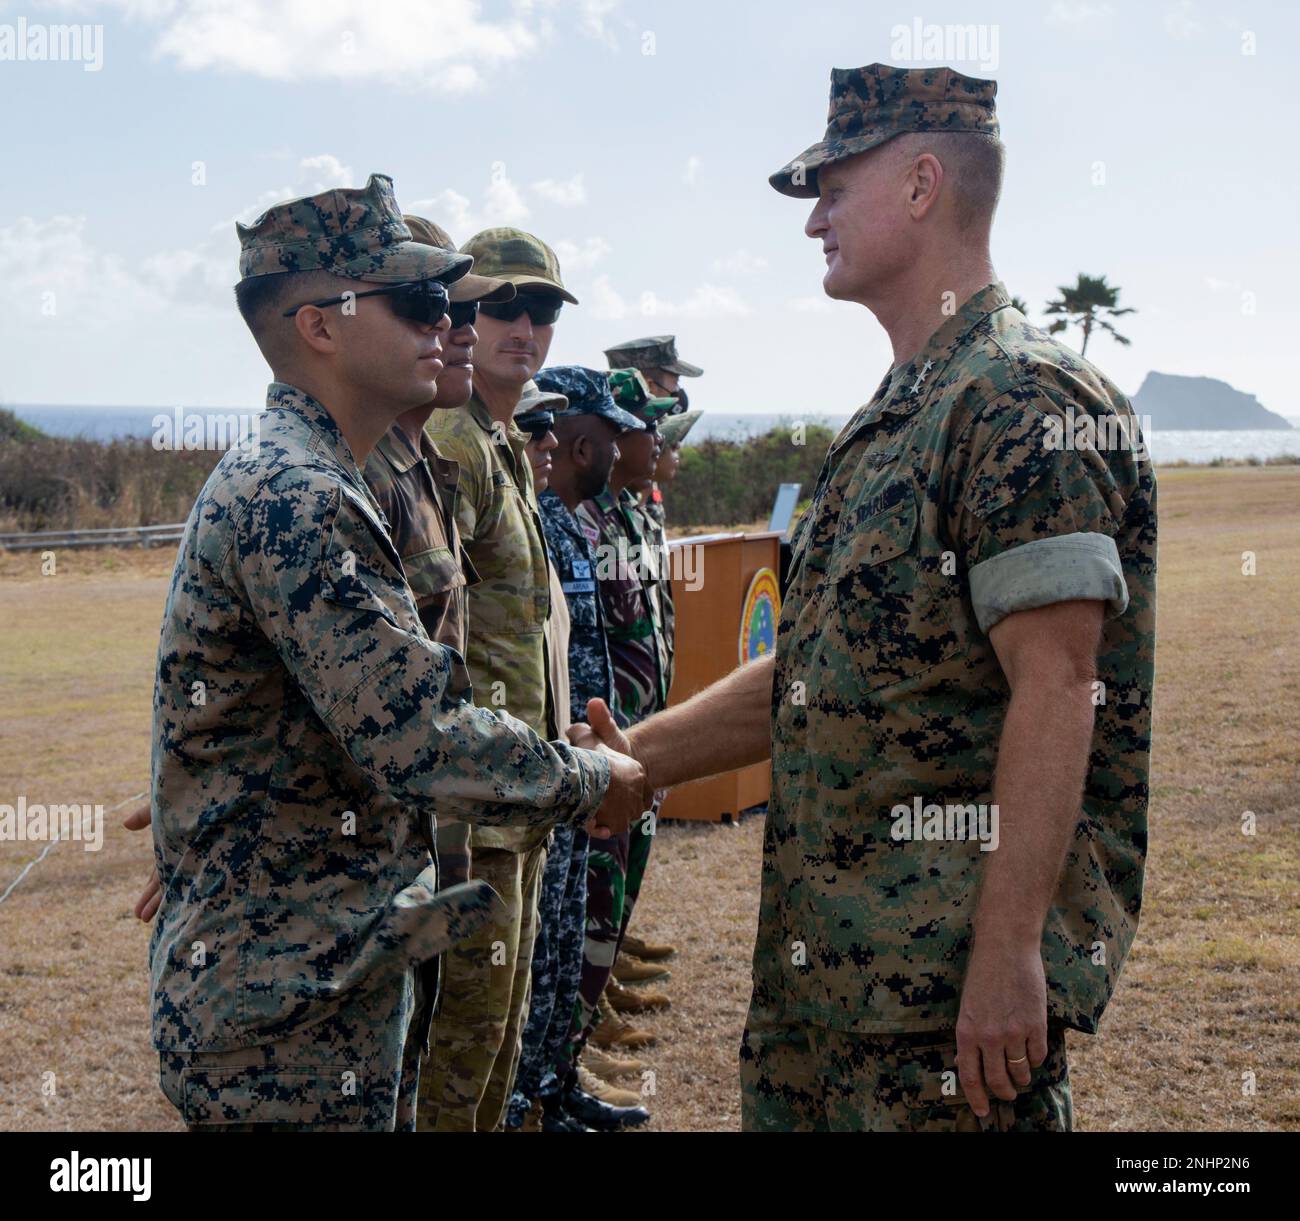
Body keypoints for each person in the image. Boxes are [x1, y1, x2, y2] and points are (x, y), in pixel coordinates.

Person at [571, 63, 1157, 1133]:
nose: (814, 224)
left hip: (938, 1013)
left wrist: (1008, 952)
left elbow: (1061, 684)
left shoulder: (1019, 401)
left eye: (833, 189)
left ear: (923, 184)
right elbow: (813, 672)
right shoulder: (890, 417)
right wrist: (641, 762)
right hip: (829, 1000)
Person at [148, 174, 641, 1132]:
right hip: (280, 1014)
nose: (442, 322)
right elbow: (422, 736)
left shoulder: (325, 477)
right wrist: (593, 779)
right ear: (318, 326)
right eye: (415, 300)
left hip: (327, 972)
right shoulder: (296, 494)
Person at [420, 227, 578, 1132]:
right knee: (459, 1048)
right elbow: (419, 622)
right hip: (470, 813)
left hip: (520, 798)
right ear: (466, 316)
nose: (524, 325)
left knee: (497, 1044)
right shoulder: (457, 438)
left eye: (543, 308)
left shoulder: (501, 439)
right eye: (502, 305)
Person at [511, 367, 655, 1132]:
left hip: (586, 763)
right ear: (574, 441)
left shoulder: (564, 521)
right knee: (535, 953)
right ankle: (523, 1097)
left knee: (566, 942)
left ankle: (552, 1084)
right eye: (603, 428)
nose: (620, 440)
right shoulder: (527, 518)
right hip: (548, 771)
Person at [564, 369, 679, 1058]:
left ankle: (597, 991)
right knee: (596, 875)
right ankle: (581, 1016)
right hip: (608, 733)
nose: (658, 440)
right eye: (646, 428)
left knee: (627, 863)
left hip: (644, 725)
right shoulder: (583, 520)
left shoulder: (632, 513)